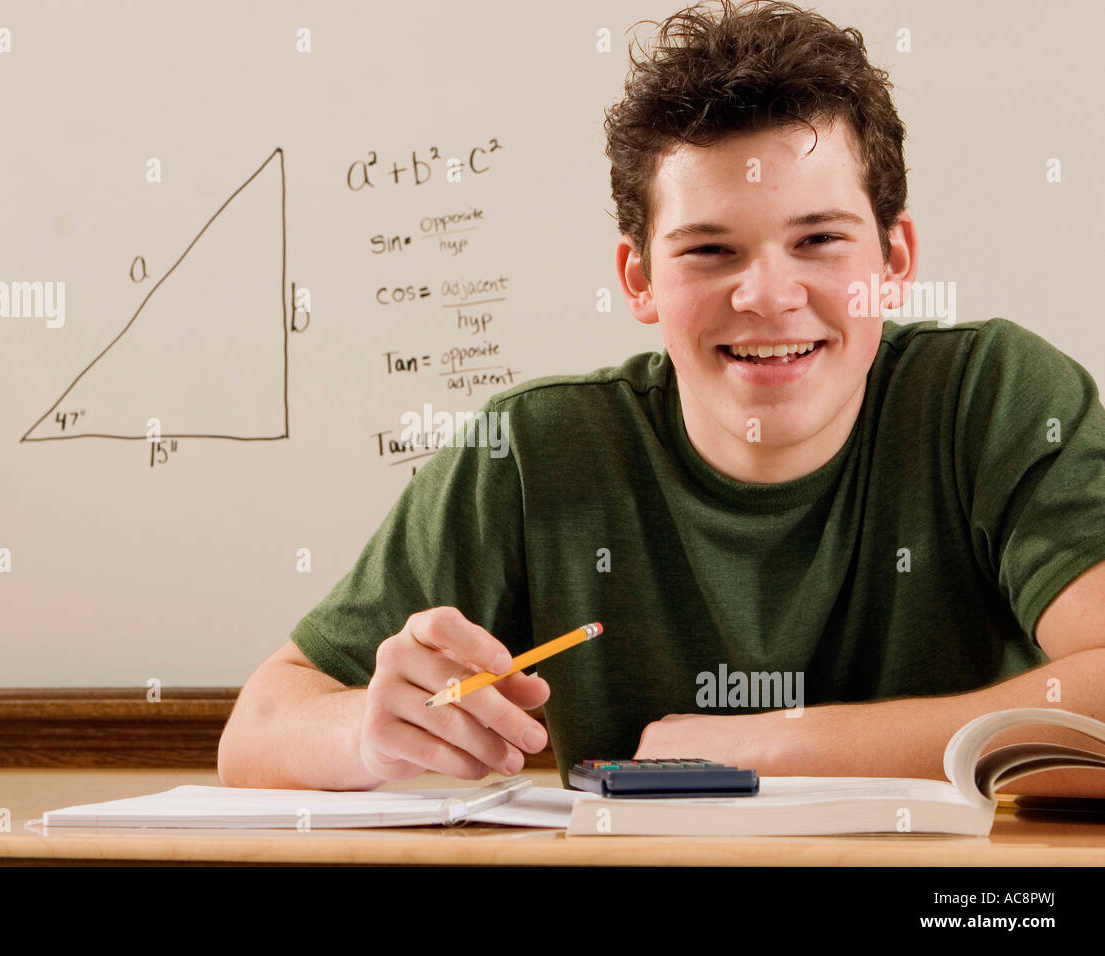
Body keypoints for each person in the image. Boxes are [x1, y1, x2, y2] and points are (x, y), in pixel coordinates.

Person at [218, 0, 1105, 794]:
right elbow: (258, 731)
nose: (767, 296)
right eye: (709, 251)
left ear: (895, 261)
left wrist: (772, 748)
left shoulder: (993, 396)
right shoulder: (534, 448)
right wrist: (374, 734)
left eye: (820, 239)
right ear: (638, 279)